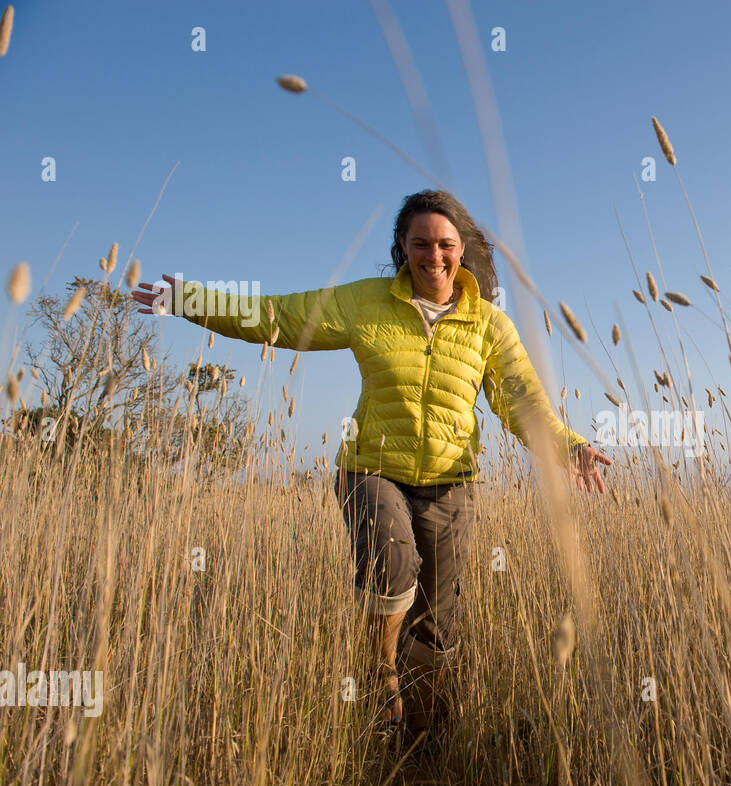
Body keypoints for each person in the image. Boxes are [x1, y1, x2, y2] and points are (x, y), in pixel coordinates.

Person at [131, 189, 613, 731]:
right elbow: (278, 316)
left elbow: (520, 397)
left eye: (445, 245)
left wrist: (567, 445)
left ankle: (421, 734)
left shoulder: (488, 324)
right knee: (392, 560)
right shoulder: (366, 302)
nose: (434, 256)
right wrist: (192, 300)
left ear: (462, 251)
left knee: (437, 620)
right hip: (372, 467)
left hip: (451, 482)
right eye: (421, 244)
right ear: (402, 248)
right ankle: (381, 675)